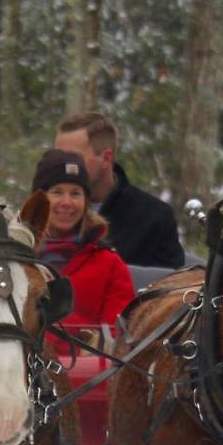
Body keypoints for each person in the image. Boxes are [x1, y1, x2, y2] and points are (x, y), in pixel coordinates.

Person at [31, 148, 134, 354]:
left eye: (76, 193)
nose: (66, 202)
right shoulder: (16, 256)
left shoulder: (109, 264)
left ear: (86, 202)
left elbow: (116, 339)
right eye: (57, 192)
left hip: (87, 378)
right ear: (39, 200)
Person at [53, 111, 185, 269]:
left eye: (74, 158)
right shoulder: (45, 212)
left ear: (106, 158)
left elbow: (174, 286)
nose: (63, 166)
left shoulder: (153, 218)